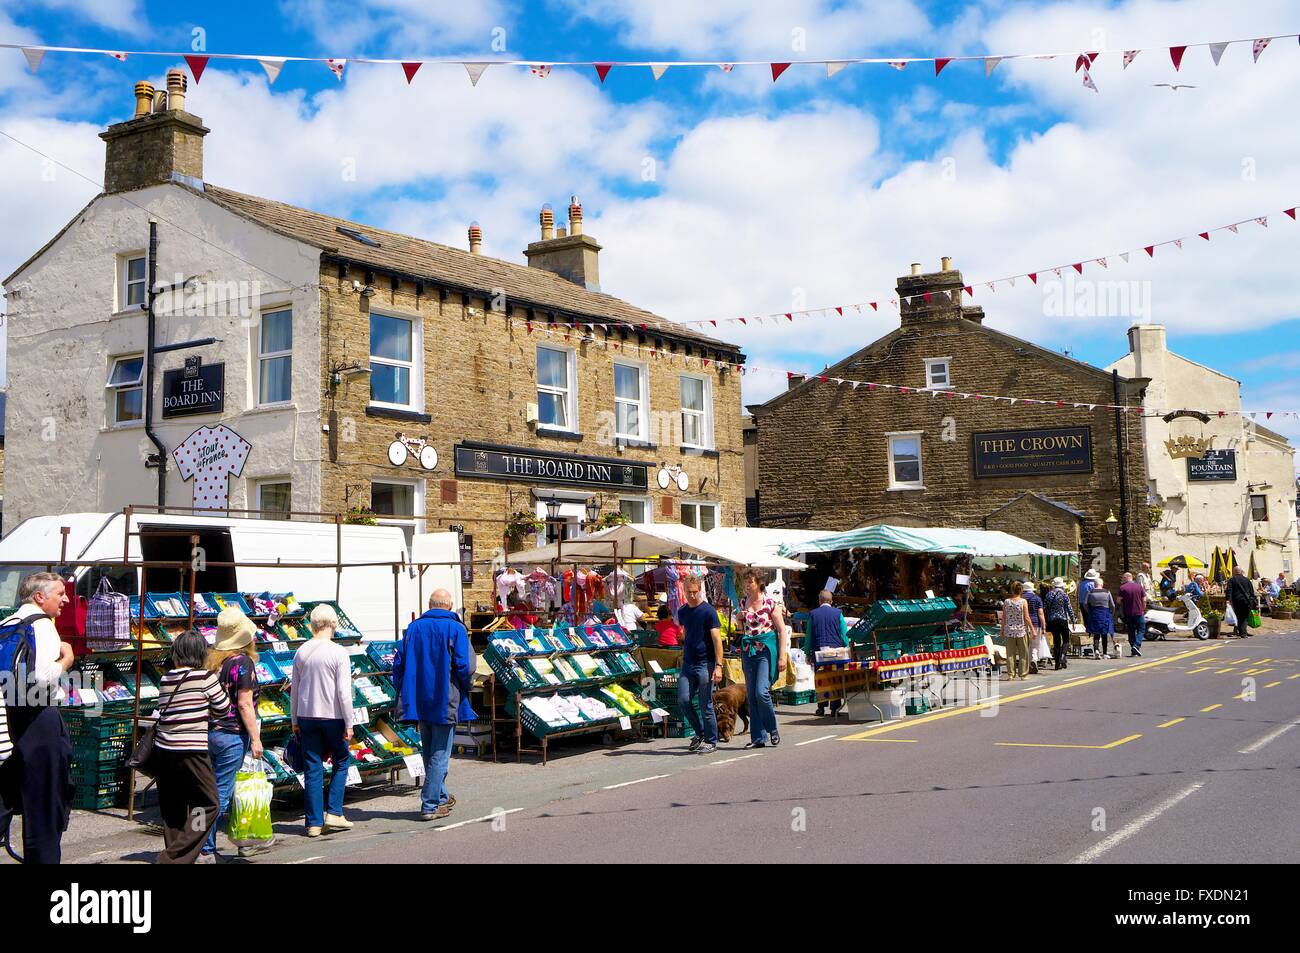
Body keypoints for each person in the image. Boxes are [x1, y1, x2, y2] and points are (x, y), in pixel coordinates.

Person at [0, 572, 76, 864]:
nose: (66, 599)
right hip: (40, 720)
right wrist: (65, 661)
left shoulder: (7, 623)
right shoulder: (42, 625)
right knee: (44, 811)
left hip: (11, 720)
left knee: (8, 797)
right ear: (39, 597)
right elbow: (42, 677)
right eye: (60, 593)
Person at [393, 589, 474, 821]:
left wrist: (404, 691)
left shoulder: (413, 629)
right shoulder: (456, 628)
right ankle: (429, 805)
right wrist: (464, 688)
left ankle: (440, 796)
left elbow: (398, 665)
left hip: (418, 699)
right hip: (444, 697)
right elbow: (465, 666)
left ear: (430, 605)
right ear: (449, 606)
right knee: (440, 752)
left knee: (429, 751)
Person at [153, 630, 228, 864]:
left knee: (173, 808)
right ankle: (172, 858)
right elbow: (223, 708)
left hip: (164, 751)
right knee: (208, 803)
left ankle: (178, 858)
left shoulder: (166, 679)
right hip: (191, 750)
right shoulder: (205, 677)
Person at [201, 607, 264, 862]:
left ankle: (205, 845)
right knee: (221, 796)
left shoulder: (215, 663)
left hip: (210, 733)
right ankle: (202, 847)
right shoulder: (243, 663)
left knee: (209, 792)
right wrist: (256, 739)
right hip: (231, 736)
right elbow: (245, 704)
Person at [291, 604, 355, 837]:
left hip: (306, 715)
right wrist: (349, 723)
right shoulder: (339, 652)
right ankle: (335, 812)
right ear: (334, 625)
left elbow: (295, 690)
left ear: (313, 625)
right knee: (341, 760)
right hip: (333, 716)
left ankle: (313, 823)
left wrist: (294, 720)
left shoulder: (301, 651)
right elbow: (344, 693)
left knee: (312, 767)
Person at [739, 569, 789, 749]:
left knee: (761, 691)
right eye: (745, 582)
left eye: (750, 582)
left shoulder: (769, 603)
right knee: (751, 696)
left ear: (758, 583)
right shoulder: (743, 602)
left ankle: (772, 728)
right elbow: (743, 627)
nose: (746, 586)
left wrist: (782, 656)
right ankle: (758, 737)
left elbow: (782, 630)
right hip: (748, 651)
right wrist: (739, 619)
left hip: (764, 651)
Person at [675, 576, 722, 754]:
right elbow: (686, 633)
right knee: (683, 700)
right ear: (684, 590)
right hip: (688, 663)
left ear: (700, 589)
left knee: (705, 704)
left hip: (705, 664)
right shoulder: (682, 612)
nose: (692, 595)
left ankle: (711, 741)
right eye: (689, 592)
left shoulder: (708, 611)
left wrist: (718, 666)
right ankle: (700, 732)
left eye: (695, 592)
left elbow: (717, 640)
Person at [805, 590, 849, 716]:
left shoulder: (812, 614)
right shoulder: (838, 613)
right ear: (832, 601)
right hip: (836, 652)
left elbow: (809, 636)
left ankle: (821, 708)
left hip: (818, 652)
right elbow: (844, 634)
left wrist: (807, 653)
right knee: (835, 679)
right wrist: (847, 645)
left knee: (821, 679)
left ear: (819, 601)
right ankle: (835, 708)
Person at [1043, 577, 1077, 670]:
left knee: (1056, 641)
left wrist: (1046, 619)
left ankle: (1057, 663)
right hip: (1063, 619)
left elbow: (1045, 609)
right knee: (1066, 639)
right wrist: (1073, 621)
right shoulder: (1064, 595)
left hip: (1052, 620)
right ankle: (1063, 655)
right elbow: (1069, 608)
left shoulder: (1048, 594)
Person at [1000, 584, 1032, 680]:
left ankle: (1011, 674)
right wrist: (1032, 629)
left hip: (1009, 630)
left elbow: (1004, 617)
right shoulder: (1023, 601)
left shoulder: (1006, 601)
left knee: (1010, 653)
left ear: (1012, 590)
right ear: (1021, 591)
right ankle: (1023, 674)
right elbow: (1026, 617)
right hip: (1021, 630)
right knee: (1023, 653)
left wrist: (1002, 629)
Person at [1084, 579, 1118, 658]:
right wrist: (1111, 614)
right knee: (1104, 633)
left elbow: (1085, 604)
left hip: (1094, 613)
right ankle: (1105, 653)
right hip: (1104, 613)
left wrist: (1089, 611)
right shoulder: (1107, 592)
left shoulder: (1090, 592)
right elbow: (1112, 605)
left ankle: (1096, 650)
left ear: (1094, 585)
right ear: (1102, 584)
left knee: (1096, 633)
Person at [1118, 571, 1147, 658]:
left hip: (1128, 613)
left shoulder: (1122, 588)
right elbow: (1144, 600)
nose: (1122, 580)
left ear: (1127, 577)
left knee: (1131, 631)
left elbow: (1118, 600)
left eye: (1123, 578)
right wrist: (1143, 608)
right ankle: (1136, 645)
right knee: (1141, 629)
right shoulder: (1139, 587)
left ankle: (1133, 649)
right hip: (1139, 612)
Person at [1225, 566, 1256, 639]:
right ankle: (1243, 632)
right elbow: (1252, 591)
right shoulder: (1247, 580)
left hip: (1236, 601)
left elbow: (1229, 591)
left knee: (1238, 616)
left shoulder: (1231, 580)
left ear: (1234, 572)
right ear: (1241, 571)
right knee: (1244, 617)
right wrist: (1252, 600)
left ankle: (1242, 632)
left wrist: (1228, 600)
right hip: (1246, 600)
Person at [1021, 582, 1046, 672]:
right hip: (1036, 623)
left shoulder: (1020, 599)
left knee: (1024, 645)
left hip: (1023, 623)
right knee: (1035, 645)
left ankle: (1026, 665)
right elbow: (1040, 613)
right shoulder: (1037, 598)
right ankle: (1034, 660)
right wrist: (1044, 626)